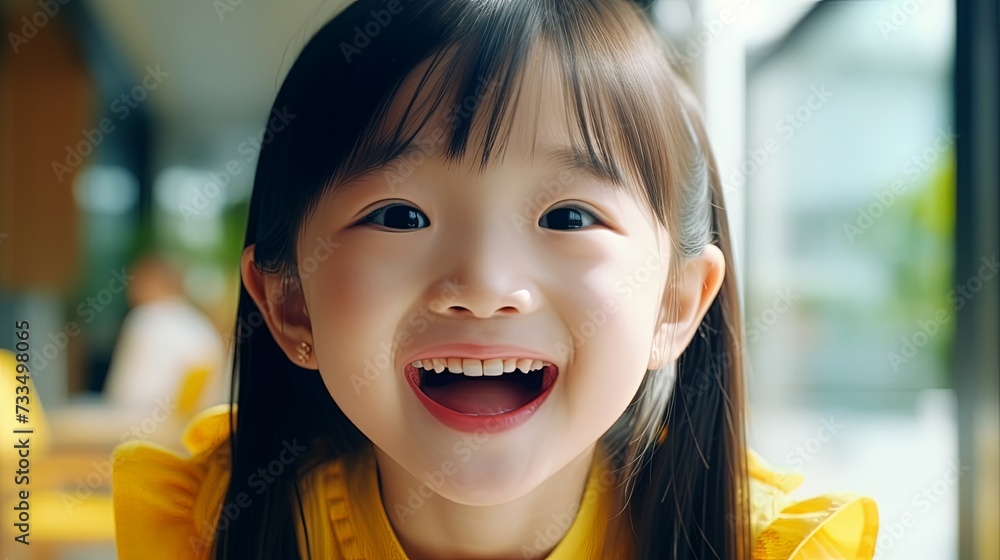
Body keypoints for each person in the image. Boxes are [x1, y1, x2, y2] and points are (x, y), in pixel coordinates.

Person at [112, 1, 879, 558]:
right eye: (400, 216)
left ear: (674, 305)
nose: (483, 285)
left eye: (569, 217)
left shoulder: (768, 547)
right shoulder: (212, 531)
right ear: (290, 305)